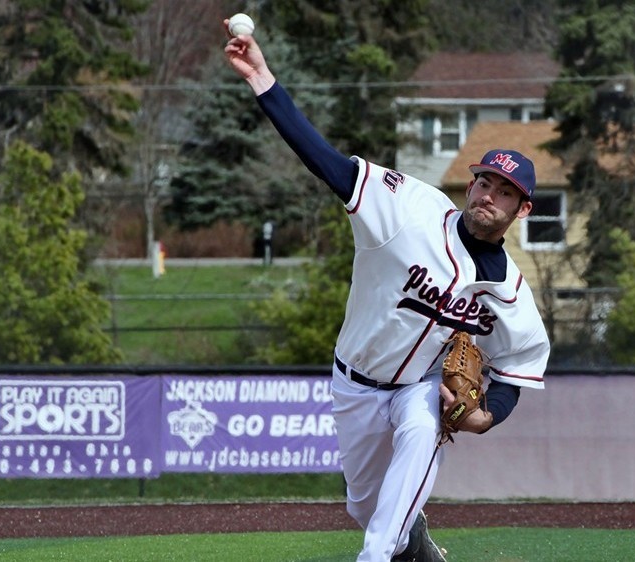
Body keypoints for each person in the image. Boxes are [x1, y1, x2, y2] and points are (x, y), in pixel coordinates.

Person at [224, 21, 550, 562]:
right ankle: (410, 541)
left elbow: (517, 365)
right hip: (352, 382)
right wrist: (263, 80)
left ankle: (374, 557)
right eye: (485, 181)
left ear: (523, 209)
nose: (491, 194)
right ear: (471, 184)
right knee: (366, 507)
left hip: (416, 388)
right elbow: (326, 161)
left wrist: (486, 414)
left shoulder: (510, 294)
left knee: (423, 427)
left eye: (507, 191)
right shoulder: (408, 211)